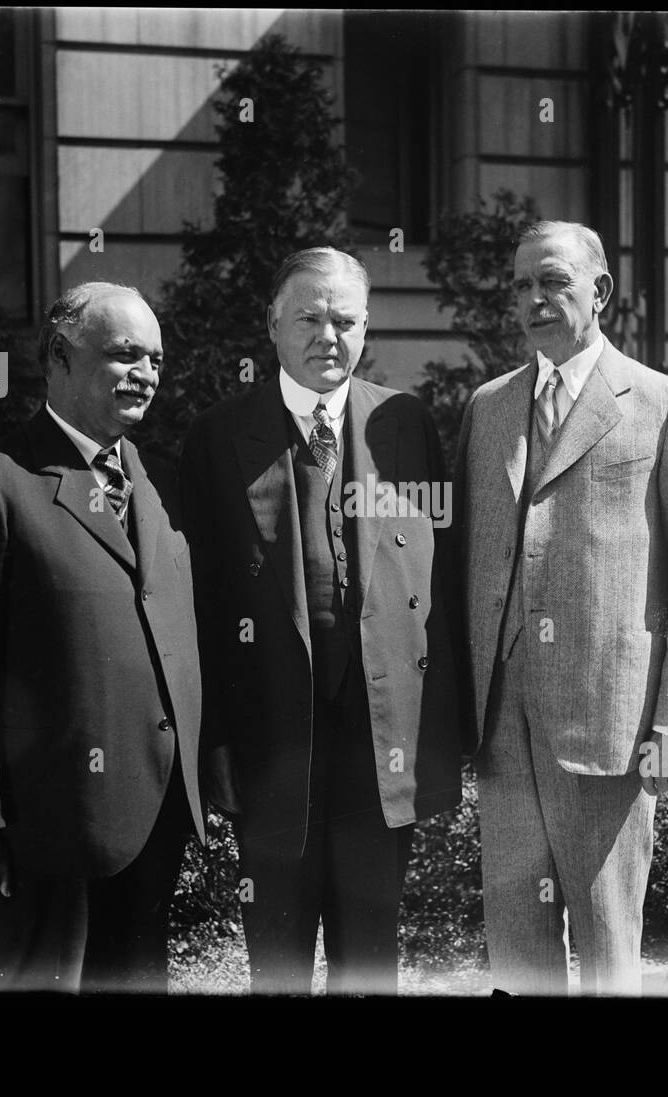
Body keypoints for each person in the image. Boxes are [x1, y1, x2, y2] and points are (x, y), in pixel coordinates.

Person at [179, 247, 465, 994]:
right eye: (308, 317)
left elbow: (442, 585)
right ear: (273, 324)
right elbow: (194, 605)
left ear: (366, 328)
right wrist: (211, 740)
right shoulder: (217, 436)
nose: (327, 335)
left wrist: (441, 734)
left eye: (344, 320)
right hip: (271, 740)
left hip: (380, 747)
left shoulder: (405, 425)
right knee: (274, 954)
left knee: (370, 953)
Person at [0, 282, 205, 992]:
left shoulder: (160, 485)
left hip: (154, 819)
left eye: (157, 361)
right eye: (125, 354)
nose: (147, 374)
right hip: (45, 833)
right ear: (60, 357)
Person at [455, 221, 668, 995]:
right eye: (520, 285)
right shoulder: (489, 408)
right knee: (515, 935)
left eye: (554, 282)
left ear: (599, 291)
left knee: (609, 942)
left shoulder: (663, 405)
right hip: (502, 724)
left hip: (609, 724)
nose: (534, 299)